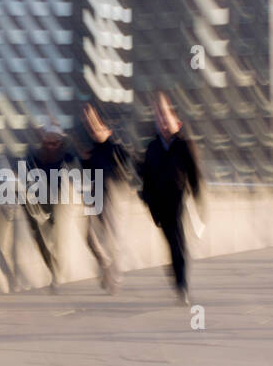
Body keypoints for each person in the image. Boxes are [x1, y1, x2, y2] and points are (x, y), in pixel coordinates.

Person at [138, 93, 202, 304]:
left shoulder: (184, 145)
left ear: (177, 122)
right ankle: (177, 278)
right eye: (159, 119)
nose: (163, 123)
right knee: (171, 242)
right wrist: (146, 198)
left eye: (166, 118)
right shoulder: (152, 148)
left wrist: (198, 196)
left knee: (177, 241)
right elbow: (146, 177)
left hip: (177, 200)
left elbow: (194, 174)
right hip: (158, 204)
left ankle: (181, 283)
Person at [80, 104, 132, 293]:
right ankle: (105, 263)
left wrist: (106, 138)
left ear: (108, 130)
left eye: (97, 127)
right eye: (91, 128)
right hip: (95, 194)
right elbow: (87, 175)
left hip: (113, 194)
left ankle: (114, 276)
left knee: (114, 237)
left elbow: (126, 164)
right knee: (89, 235)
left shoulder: (115, 147)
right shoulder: (91, 151)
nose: (93, 131)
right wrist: (85, 161)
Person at [20, 122, 76, 290]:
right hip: (37, 201)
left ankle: (57, 266)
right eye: (47, 142)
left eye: (54, 143)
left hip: (57, 200)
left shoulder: (65, 155)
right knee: (40, 238)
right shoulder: (34, 154)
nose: (50, 146)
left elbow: (78, 168)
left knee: (56, 235)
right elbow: (22, 171)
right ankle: (53, 270)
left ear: (60, 142)